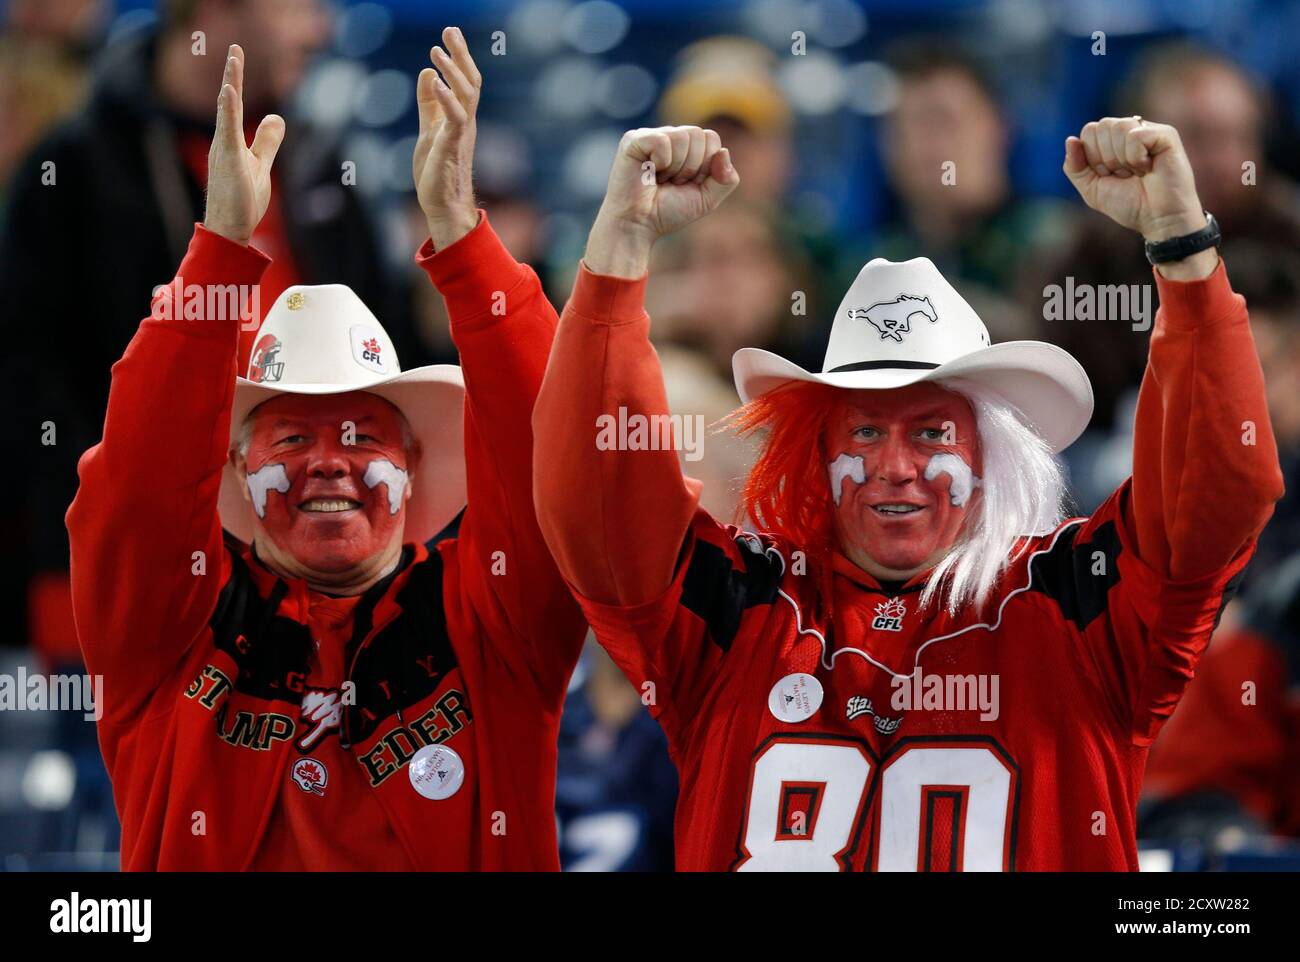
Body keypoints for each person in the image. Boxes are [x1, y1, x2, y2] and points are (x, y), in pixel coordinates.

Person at [532, 118, 1283, 870]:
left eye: (930, 434)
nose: (894, 466)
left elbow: (1216, 491)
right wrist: (619, 254)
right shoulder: (739, 608)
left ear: (990, 456)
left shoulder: (1078, 607)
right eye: (862, 434)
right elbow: (592, 506)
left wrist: (1184, 252)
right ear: (814, 451)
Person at [66, 30, 586, 870]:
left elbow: (551, 456)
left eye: (361, 433)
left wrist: (461, 239)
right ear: (235, 466)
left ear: (414, 465)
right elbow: (137, 482)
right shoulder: (173, 626)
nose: (330, 458)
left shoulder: (491, 618)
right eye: (292, 435)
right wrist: (220, 255)